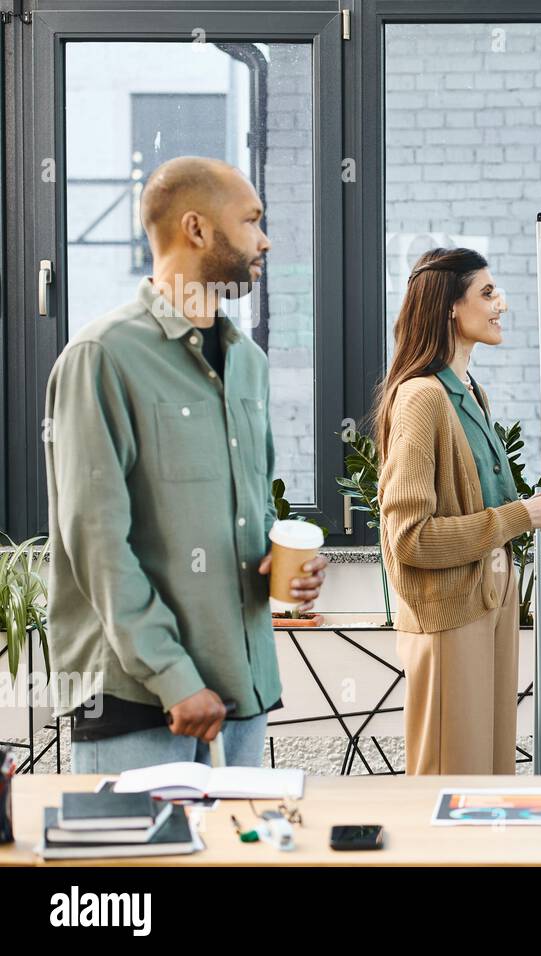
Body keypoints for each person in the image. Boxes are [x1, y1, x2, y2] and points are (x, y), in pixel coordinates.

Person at [45, 156, 327, 773]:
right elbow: (97, 541)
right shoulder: (102, 357)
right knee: (135, 874)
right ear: (195, 229)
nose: (265, 239)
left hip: (242, 694)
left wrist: (282, 570)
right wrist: (173, 678)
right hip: (141, 704)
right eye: (252, 220)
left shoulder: (248, 362)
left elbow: (246, 514)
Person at [375, 247, 541, 775]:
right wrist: (524, 515)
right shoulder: (422, 398)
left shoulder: (469, 392)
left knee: (490, 779)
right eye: (487, 293)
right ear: (450, 305)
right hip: (449, 613)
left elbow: (490, 509)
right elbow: (410, 540)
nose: (502, 305)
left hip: (490, 601)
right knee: (453, 779)